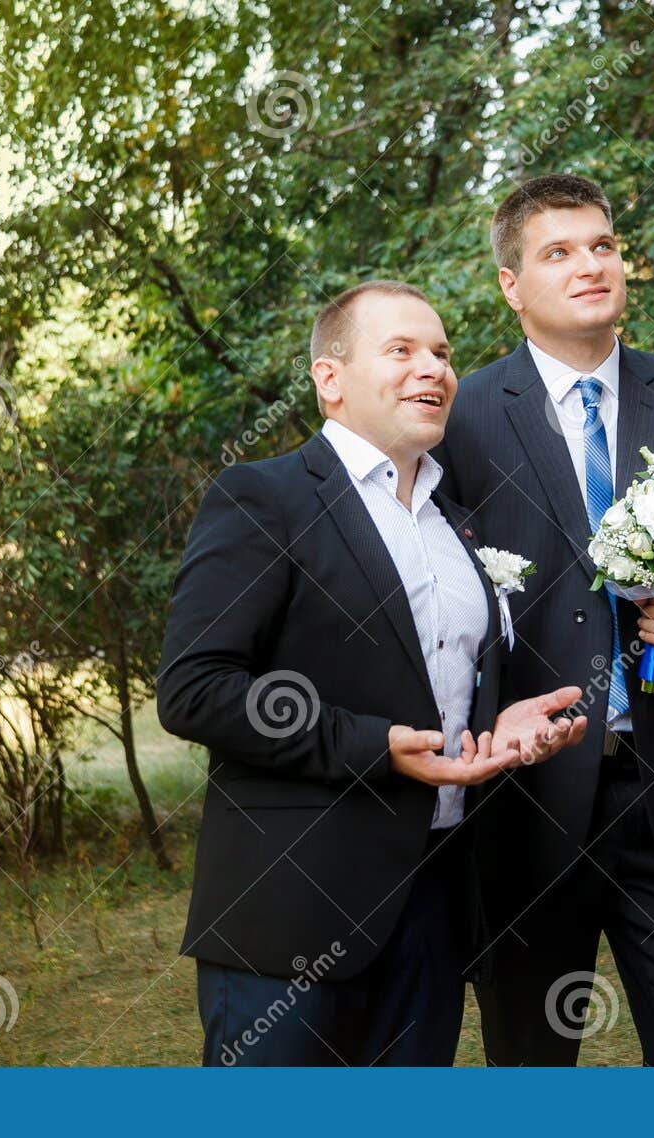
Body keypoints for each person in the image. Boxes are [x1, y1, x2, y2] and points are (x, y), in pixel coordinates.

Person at [157, 278, 587, 1066]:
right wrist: (372, 746)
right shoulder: (263, 498)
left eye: (443, 353)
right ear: (331, 378)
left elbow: (438, 678)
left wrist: (497, 723)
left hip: (435, 904)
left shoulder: (458, 521)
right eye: (401, 350)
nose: (434, 368)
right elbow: (194, 688)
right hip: (292, 911)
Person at [436, 174, 654, 1065]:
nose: (591, 265)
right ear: (512, 284)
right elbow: (438, 605)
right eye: (558, 252)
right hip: (526, 808)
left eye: (603, 246)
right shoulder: (462, 416)